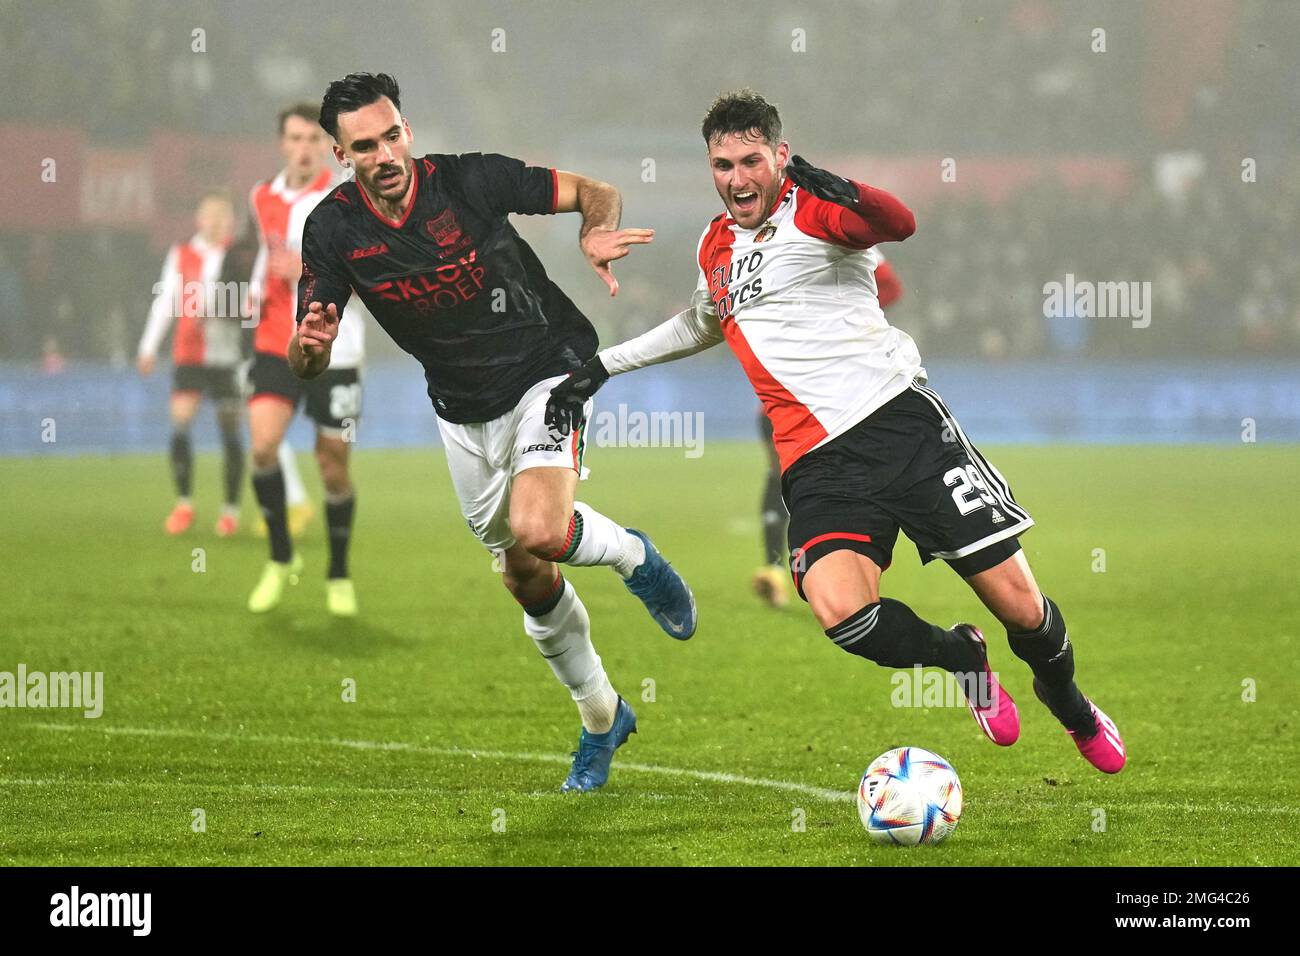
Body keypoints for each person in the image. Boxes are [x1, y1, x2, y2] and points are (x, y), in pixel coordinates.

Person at [547, 90, 1125, 774]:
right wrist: (600, 367)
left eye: (751, 160)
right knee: (844, 615)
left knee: (1024, 611)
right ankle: (961, 659)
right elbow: (702, 322)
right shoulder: (715, 244)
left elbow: (900, 223)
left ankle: (1070, 704)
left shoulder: (818, 209)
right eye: (722, 164)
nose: (737, 178)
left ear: (780, 156)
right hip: (818, 465)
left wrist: (845, 187)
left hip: (902, 430)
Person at [290, 73, 698, 792]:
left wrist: (594, 229)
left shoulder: (471, 180)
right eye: (365, 146)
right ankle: (603, 717)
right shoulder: (330, 229)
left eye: (392, 136)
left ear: (407, 132)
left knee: (540, 527)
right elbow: (308, 348)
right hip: (459, 408)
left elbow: (592, 190)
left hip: (548, 367)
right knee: (523, 572)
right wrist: (312, 345)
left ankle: (635, 556)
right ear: (340, 154)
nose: (385, 154)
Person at [241, 102, 369, 617]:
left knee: (332, 467)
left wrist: (306, 270)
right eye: (294, 139)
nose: (303, 148)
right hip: (275, 341)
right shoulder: (262, 196)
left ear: (326, 148)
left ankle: (338, 571)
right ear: (281, 143)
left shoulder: (346, 201)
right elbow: (264, 253)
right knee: (264, 446)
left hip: (336, 346)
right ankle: (279, 557)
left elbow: (368, 271)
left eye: (312, 141)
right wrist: (254, 290)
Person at [752, 254, 903, 609]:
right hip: (832, 401)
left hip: (785, 400)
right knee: (835, 483)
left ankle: (779, 568)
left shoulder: (772, 246)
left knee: (783, 479)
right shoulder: (844, 241)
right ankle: (836, 572)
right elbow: (892, 287)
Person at [137, 190, 243, 537]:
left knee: (230, 429)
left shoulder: (239, 255)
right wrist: (148, 346)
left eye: (222, 215)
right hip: (190, 354)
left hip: (227, 356)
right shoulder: (181, 253)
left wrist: (229, 313)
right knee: (180, 423)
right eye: (209, 214)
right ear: (198, 219)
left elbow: (253, 301)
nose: (215, 221)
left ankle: (229, 510)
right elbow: (166, 299)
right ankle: (184, 503)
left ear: (231, 220)